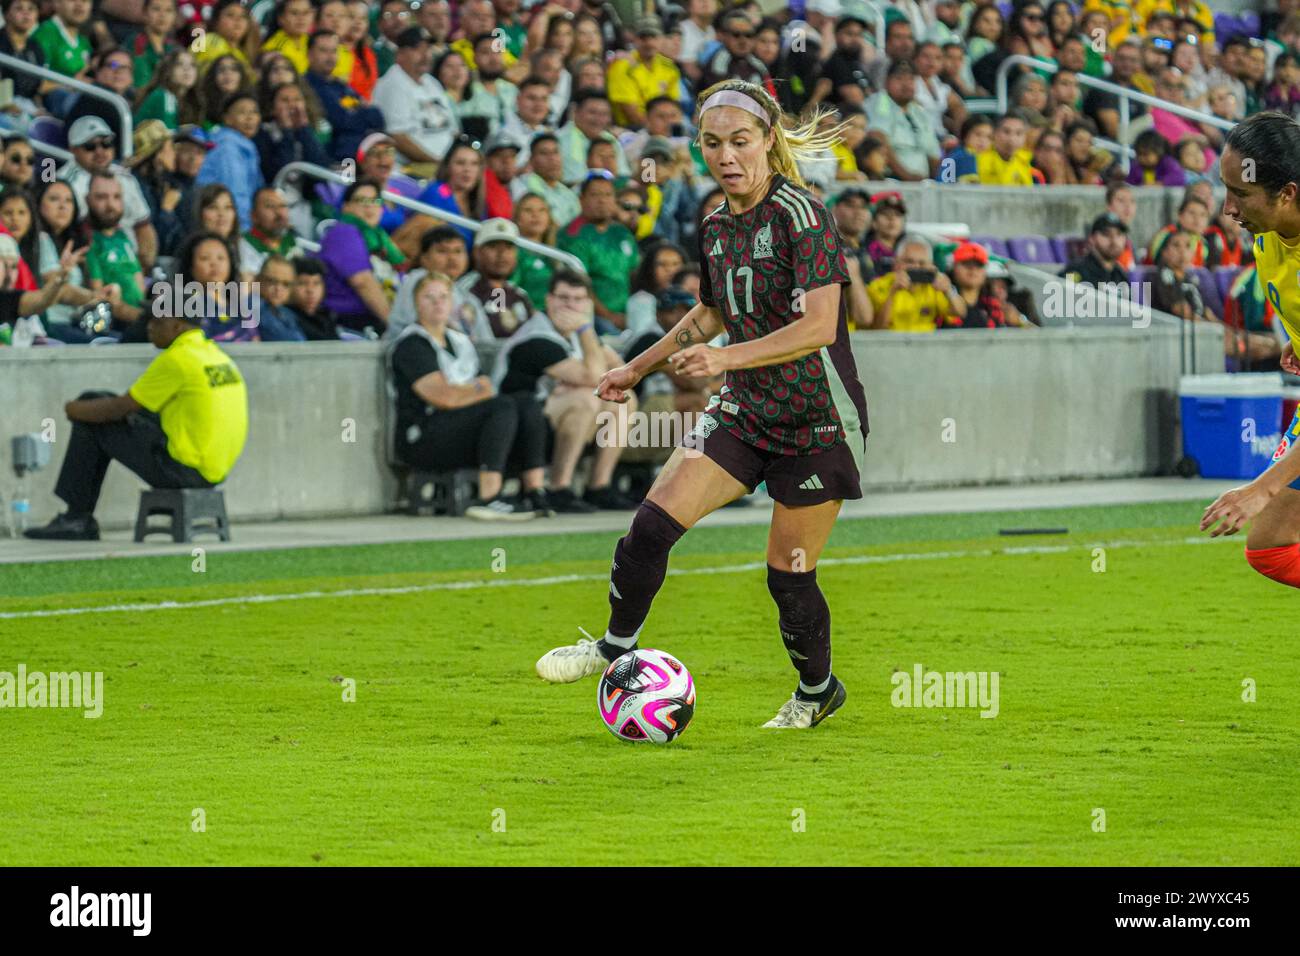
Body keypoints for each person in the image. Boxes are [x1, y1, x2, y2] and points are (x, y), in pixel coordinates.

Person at [535, 78, 867, 730]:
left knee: (788, 577)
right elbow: (712, 312)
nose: (726, 156)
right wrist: (636, 366)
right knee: (651, 527)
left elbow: (819, 326)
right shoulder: (715, 223)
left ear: (768, 140)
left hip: (816, 419)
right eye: (713, 143)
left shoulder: (803, 215)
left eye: (740, 141)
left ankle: (817, 689)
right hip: (745, 411)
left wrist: (722, 359)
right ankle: (613, 650)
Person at [23, 301, 249, 541]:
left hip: (182, 471)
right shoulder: (215, 356)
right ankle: (77, 517)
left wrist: (72, 409)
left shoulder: (177, 359)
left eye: (157, 322)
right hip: (213, 471)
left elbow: (119, 409)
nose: (149, 327)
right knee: (100, 404)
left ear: (177, 327)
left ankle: (76, 518)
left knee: (93, 412)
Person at [1202, 114, 1300, 557]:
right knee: (1272, 546)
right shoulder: (1269, 232)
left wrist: (1263, 487)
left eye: (1240, 193)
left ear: (1287, 194)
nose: (1228, 209)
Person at [389, 271, 548, 521]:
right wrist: (472, 390)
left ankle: (536, 491)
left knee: (525, 402)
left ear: (452, 302)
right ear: (416, 302)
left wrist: (466, 391)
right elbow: (444, 398)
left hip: (458, 427)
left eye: (443, 297)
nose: (437, 303)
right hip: (422, 437)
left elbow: (485, 387)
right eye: (429, 297)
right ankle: (489, 497)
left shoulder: (460, 341)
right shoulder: (412, 344)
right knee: (501, 407)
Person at [492, 268, 638, 513]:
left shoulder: (576, 336)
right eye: (563, 298)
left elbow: (622, 373)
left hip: (552, 418)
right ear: (549, 300)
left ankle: (598, 487)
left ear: (588, 303)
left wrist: (587, 344)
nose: (570, 306)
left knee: (624, 400)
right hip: (515, 426)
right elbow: (593, 377)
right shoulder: (538, 336)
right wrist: (585, 330)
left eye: (578, 299)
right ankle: (559, 488)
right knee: (584, 399)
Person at [557, 171, 640, 334]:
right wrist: (609, 316)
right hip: (591, 316)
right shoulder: (573, 235)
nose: (602, 200)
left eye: (608, 195)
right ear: (582, 199)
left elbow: (635, 274)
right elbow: (579, 285)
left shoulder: (622, 232)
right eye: (595, 195)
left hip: (627, 312)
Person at [320, 178, 405, 334]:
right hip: (349, 322)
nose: (369, 205)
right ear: (346, 207)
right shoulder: (344, 232)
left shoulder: (381, 240)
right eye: (361, 200)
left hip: (372, 321)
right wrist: (396, 328)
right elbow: (363, 282)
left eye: (375, 200)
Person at [370, 26, 459, 176]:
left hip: (445, 164)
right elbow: (398, 138)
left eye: (428, 48)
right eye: (417, 49)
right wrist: (438, 164)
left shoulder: (431, 82)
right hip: (413, 168)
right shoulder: (393, 84)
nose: (425, 55)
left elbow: (452, 129)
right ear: (400, 54)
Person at [194, 92, 264, 230]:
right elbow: (235, 193)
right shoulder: (227, 147)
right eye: (242, 112)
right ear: (227, 118)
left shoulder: (243, 145)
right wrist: (244, 229)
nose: (249, 118)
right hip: (225, 225)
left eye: (254, 112)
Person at [455, 217, 533, 338]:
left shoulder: (520, 296)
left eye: (508, 247)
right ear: (477, 252)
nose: (502, 254)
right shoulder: (463, 290)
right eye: (493, 246)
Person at [867, 234, 962, 331]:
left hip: (926, 343)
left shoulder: (934, 286)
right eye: (909, 261)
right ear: (896, 262)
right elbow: (878, 328)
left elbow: (960, 313)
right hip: (890, 343)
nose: (916, 267)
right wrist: (893, 292)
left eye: (922, 263)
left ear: (930, 265)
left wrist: (949, 290)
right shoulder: (878, 286)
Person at [607, 16, 682, 128]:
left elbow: (674, 106)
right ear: (635, 40)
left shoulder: (670, 68)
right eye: (643, 38)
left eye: (654, 37)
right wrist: (656, 129)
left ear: (661, 39)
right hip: (631, 129)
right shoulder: (622, 67)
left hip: (665, 128)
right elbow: (630, 112)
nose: (649, 43)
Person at [238, 187, 298, 275]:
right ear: (254, 215)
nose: (279, 213)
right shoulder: (241, 245)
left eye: (283, 206)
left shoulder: (293, 244)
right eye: (270, 206)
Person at [1065, 213, 1132, 289]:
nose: (1114, 240)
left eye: (1119, 234)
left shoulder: (1120, 276)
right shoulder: (1076, 271)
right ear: (1092, 239)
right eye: (1106, 234)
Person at [976, 112, 1035, 186]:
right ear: (995, 133)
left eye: (1018, 133)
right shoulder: (977, 161)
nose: (1012, 139)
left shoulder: (1028, 162)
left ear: (1025, 137)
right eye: (1006, 132)